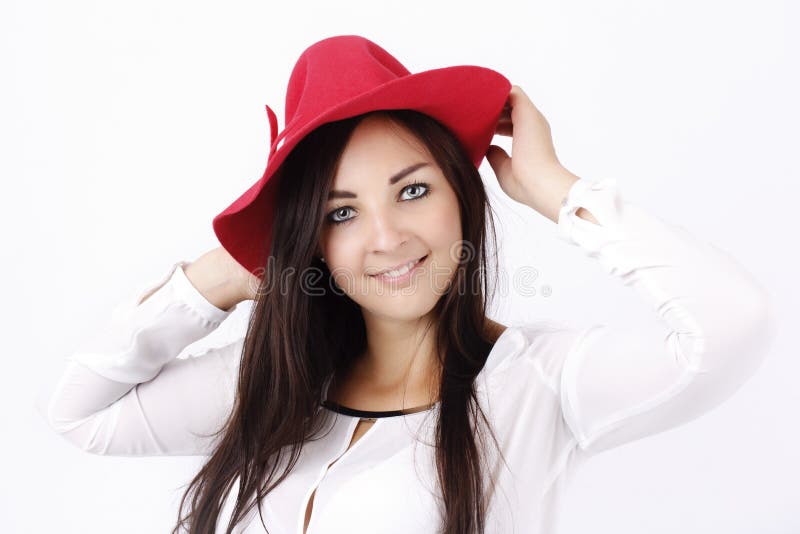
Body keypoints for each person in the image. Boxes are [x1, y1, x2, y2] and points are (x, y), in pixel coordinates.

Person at [39, 36, 776, 534]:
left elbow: (732, 325)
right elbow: (81, 415)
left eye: (413, 191)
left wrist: (556, 190)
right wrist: (222, 277)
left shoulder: (542, 384)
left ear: (463, 192)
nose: (386, 237)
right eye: (341, 211)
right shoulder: (271, 385)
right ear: (313, 239)